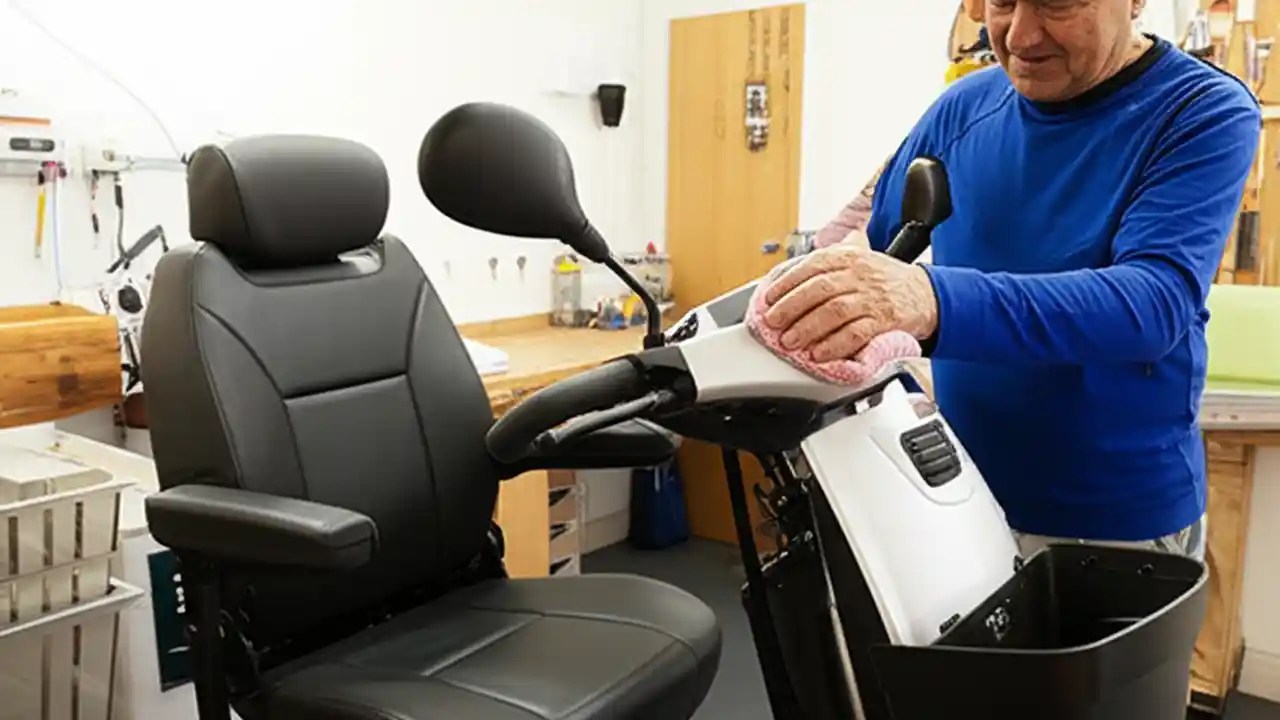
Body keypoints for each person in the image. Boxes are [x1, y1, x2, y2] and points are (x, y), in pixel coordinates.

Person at [762, 0, 1262, 561]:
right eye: (1001, 2)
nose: (1020, 35)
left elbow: (1151, 305)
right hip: (957, 496)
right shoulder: (962, 108)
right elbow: (865, 240)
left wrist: (930, 301)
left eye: (1057, 3)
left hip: (1113, 523)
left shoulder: (1200, 110)